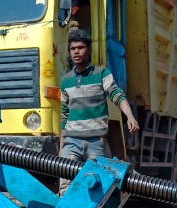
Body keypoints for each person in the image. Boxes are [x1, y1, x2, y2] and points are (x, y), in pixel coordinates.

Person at [59, 28, 139, 194]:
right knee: (66, 186)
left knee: (100, 188)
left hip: (97, 143)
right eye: (73, 49)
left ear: (88, 50)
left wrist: (130, 116)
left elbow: (118, 95)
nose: (76, 52)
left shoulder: (101, 73)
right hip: (72, 142)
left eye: (80, 48)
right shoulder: (66, 81)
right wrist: (62, 146)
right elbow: (64, 116)